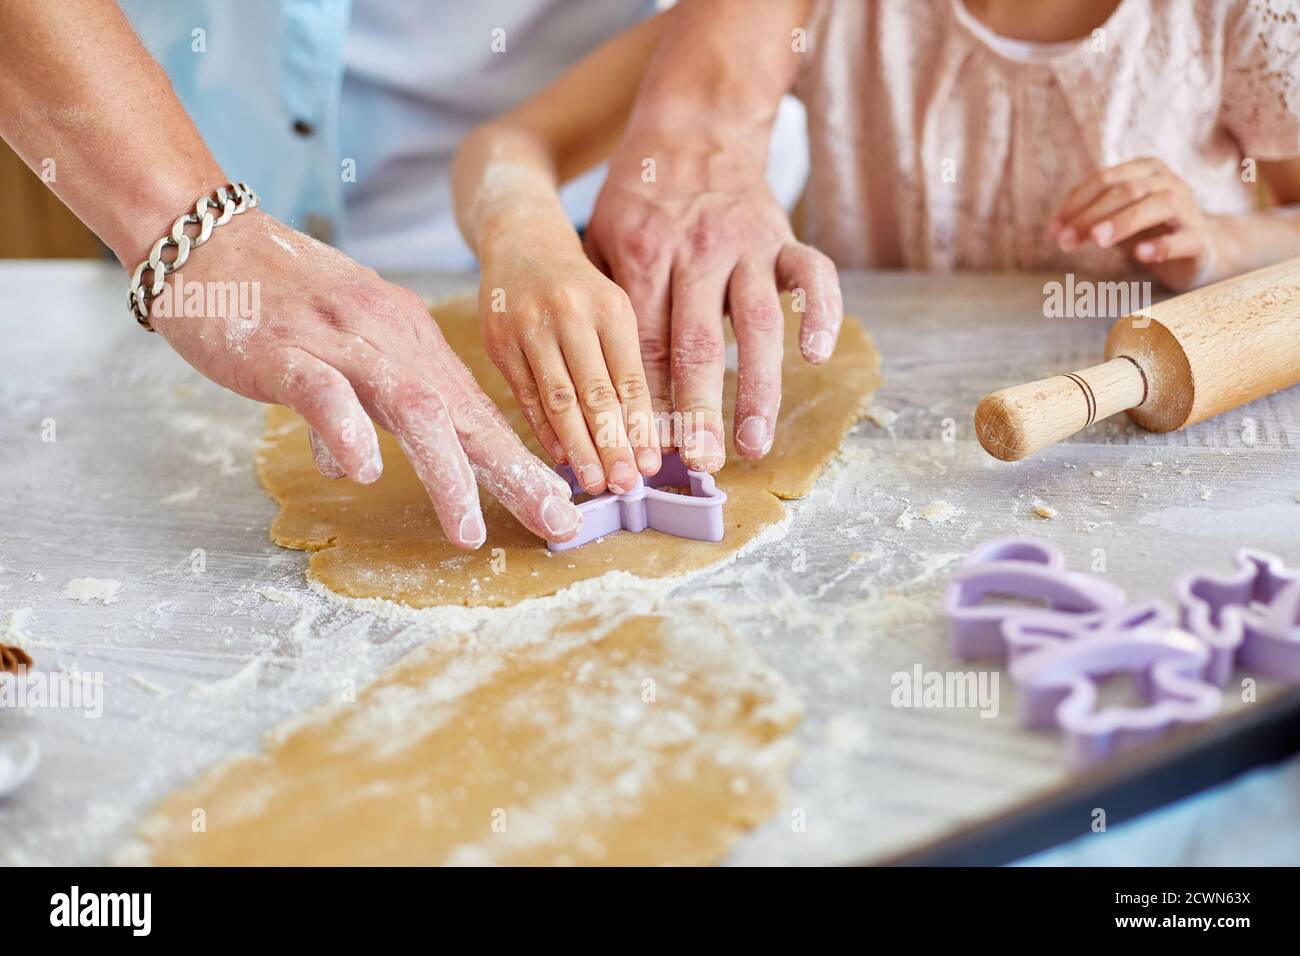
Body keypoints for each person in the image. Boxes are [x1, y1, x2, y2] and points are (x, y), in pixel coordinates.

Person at [455, 0, 1300, 475]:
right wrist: (527, 239)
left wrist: (1217, 241)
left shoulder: (1240, 16)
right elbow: (508, 145)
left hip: (1164, 437)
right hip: (886, 432)